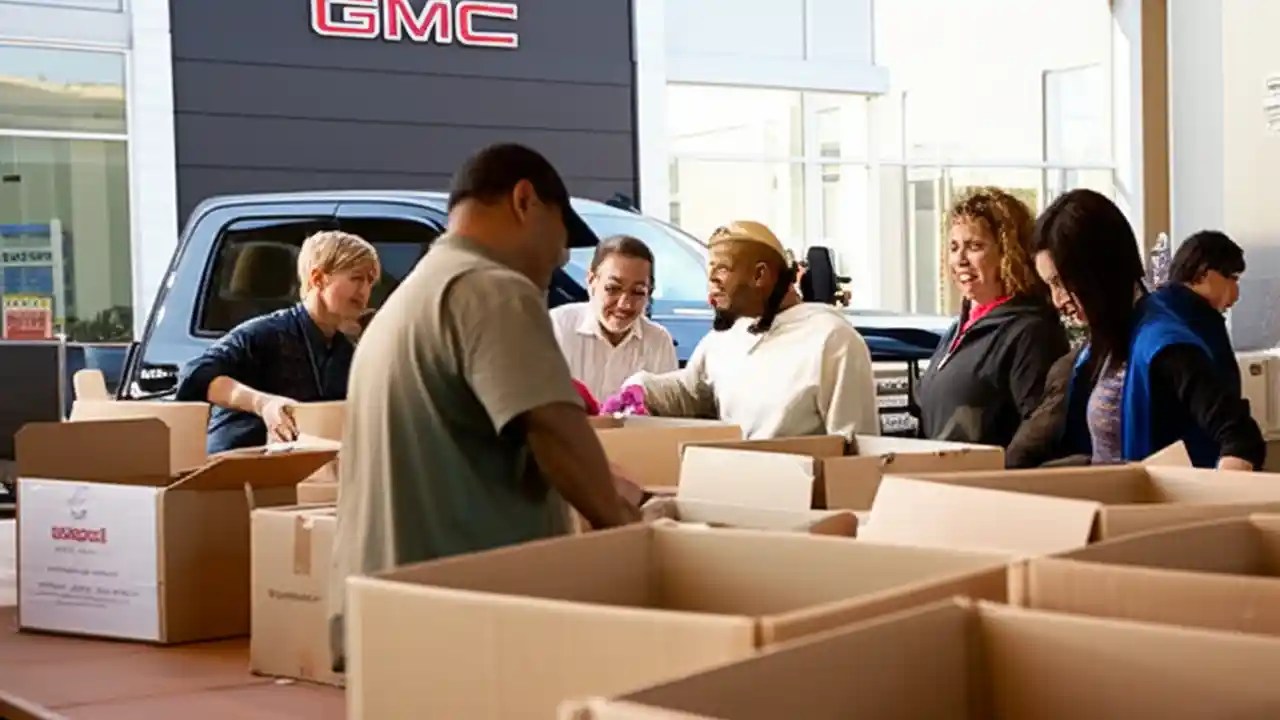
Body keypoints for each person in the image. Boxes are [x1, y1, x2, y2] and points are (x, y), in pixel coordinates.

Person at [327, 143, 643, 669]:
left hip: (386, 612)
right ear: (525, 200)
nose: (560, 261)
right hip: (461, 618)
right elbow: (555, 433)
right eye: (560, 241)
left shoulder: (412, 297)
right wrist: (639, 539)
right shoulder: (490, 288)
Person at [1032, 189, 1264, 470]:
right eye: (1050, 286)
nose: (1058, 301)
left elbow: (1241, 438)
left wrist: (1209, 501)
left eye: (1061, 282)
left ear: (1095, 271)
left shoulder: (1164, 344)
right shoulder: (1105, 345)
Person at [620, 220, 879, 440]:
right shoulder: (725, 337)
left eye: (720, 275)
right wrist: (643, 389)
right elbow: (692, 392)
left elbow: (857, 449)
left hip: (799, 493)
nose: (711, 289)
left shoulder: (831, 340)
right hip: (731, 488)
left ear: (759, 275)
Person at [174, 230, 380, 453]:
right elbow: (194, 375)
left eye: (370, 281)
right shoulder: (264, 334)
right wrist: (262, 403)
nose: (365, 291)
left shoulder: (346, 352)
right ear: (318, 278)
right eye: (357, 278)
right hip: (233, 473)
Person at [916, 187, 1069, 458]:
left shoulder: (1031, 332)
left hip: (990, 490)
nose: (960, 260)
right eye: (954, 247)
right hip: (942, 486)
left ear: (1009, 253)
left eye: (974, 246)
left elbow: (1040, 439)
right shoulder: (959, 328)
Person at [550, 235, 678, 400]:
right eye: (612, 288)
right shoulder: (557, 327)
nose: (625, 304)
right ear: (591, 281)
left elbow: (666, 417)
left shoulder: (658, 341)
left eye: (638, 292)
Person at [1156, 230, 1246, 397]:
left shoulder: (1155, 311)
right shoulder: (1199, 325)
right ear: (1205, 273)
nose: (1236, 294)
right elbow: (1222, 404)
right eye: (1233, 278)